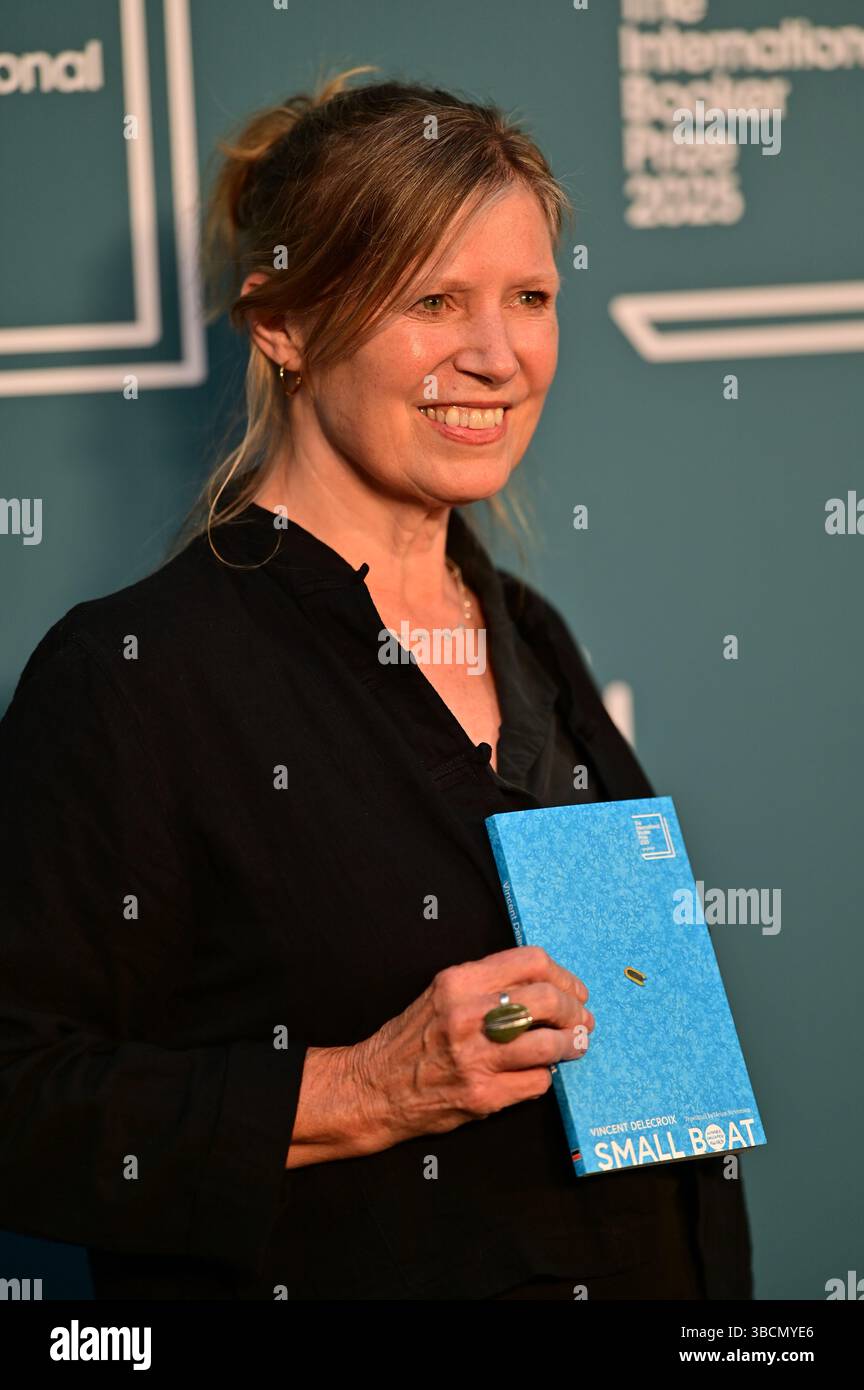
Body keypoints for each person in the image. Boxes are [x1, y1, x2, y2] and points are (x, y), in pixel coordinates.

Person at [0, 69, 753, 1301]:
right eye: (433, 299)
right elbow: (17, 1101)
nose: (498, 355)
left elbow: (652, 1087)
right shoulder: (132, 679)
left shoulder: (529, 634)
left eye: (529, 297)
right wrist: (360, 1086)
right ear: (283, 325)